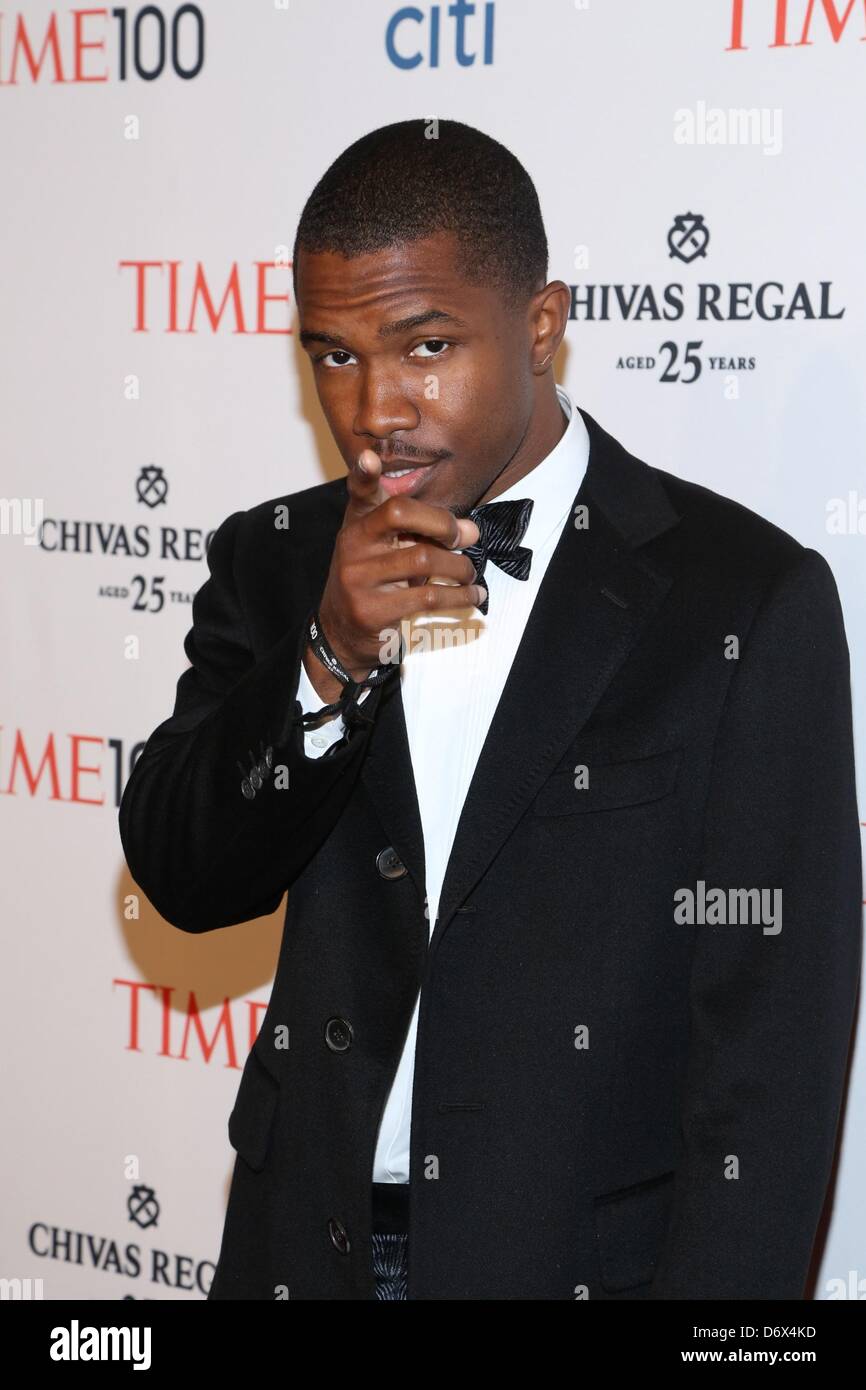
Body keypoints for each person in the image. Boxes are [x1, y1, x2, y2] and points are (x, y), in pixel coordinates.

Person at [118, 119, 862, 1301]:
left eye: (423, 344)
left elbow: (768, 1057)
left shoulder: (742, 600)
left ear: (540, 326)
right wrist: (325, 655)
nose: (372, 410)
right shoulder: (276, 562)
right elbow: (184, 875)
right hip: (301, 1251)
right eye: (334, 355)